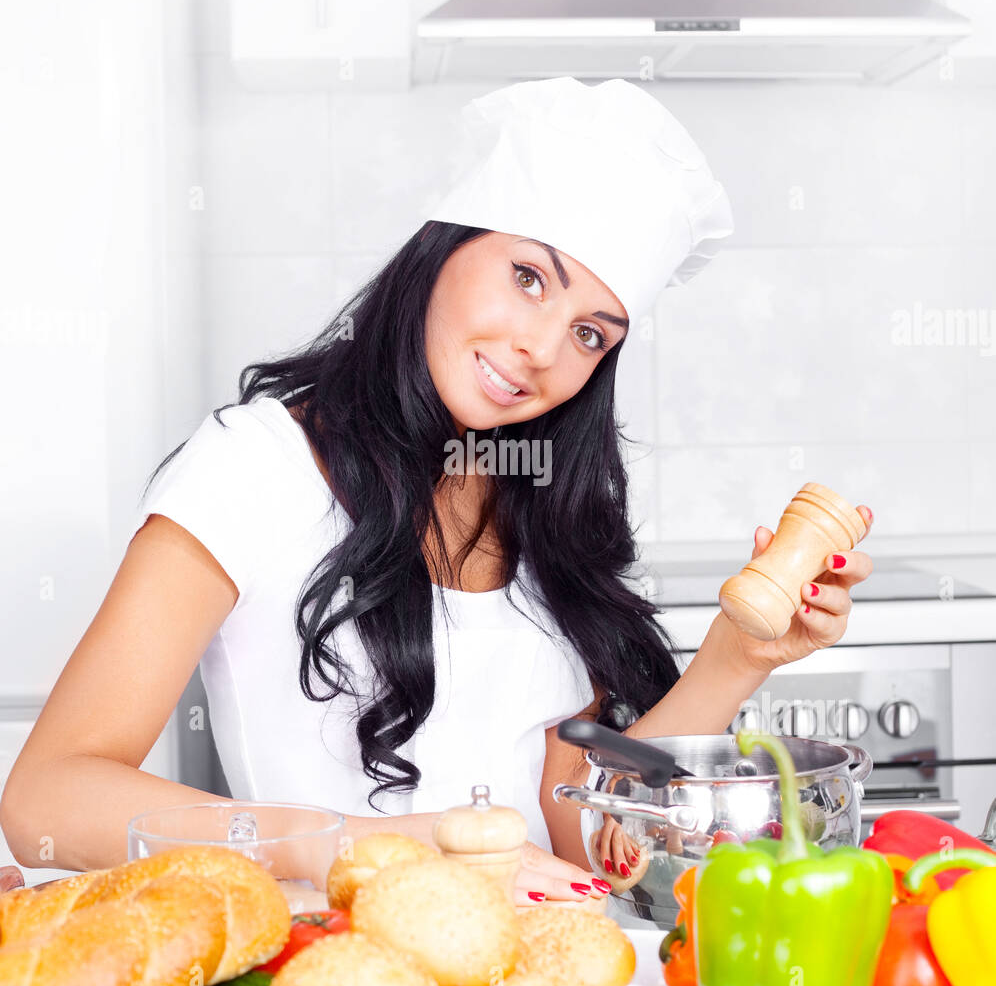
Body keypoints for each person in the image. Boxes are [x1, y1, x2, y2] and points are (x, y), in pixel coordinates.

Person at [1, 77, 873, 906]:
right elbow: (47, 798)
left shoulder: (537, 499)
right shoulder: (253, 465)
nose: (541, 348)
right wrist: (382, 850)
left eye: (588, 334)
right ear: (445, 245)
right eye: (528, 277)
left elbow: (581, 836)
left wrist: (738, 656)